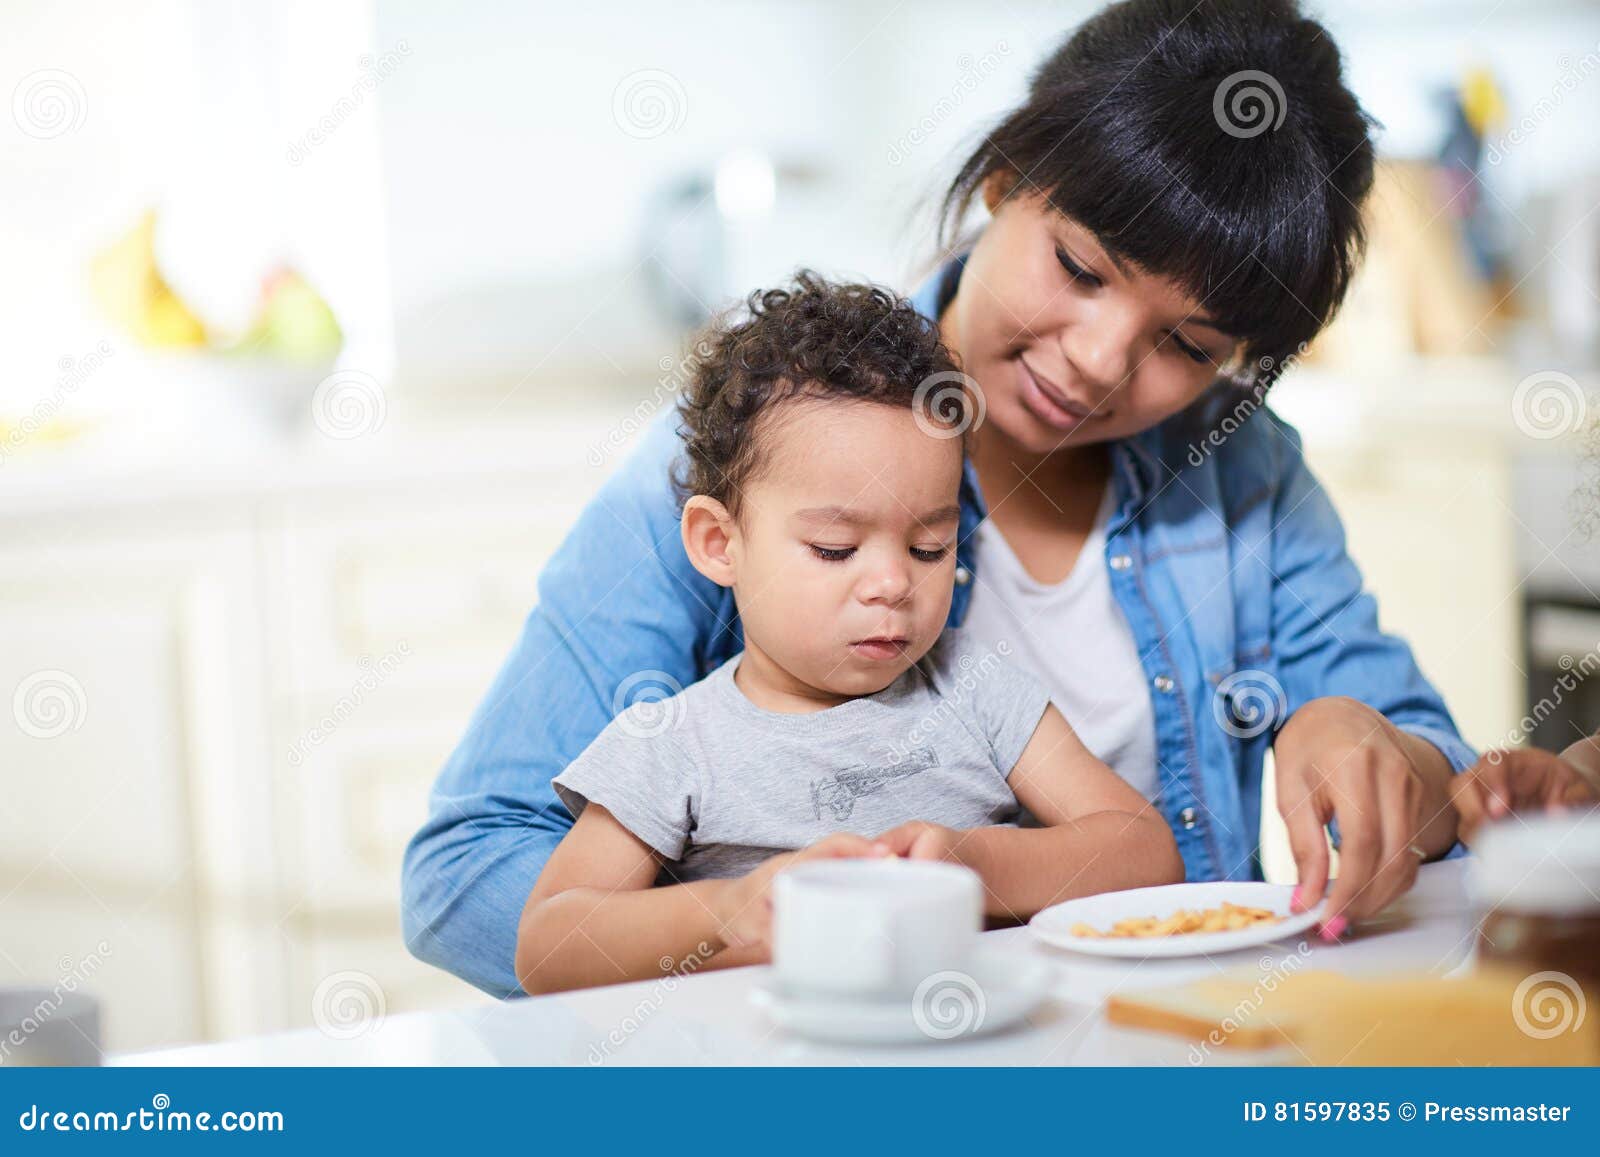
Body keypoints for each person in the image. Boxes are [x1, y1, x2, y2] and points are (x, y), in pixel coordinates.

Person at [404, 0, 1474, 998]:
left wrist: (1375, 748)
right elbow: (466, 871)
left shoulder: (1244, 468)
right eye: (1081, 266)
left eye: (1188, 344)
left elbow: (1443, 791)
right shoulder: (758, 452)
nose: (1099, 361)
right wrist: (746, 926)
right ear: (1007, 181)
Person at [514, 274, 1183, 994]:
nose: (893, 582)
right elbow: (550, 946)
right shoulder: (672, 743)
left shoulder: (975, 687)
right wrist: (733, 909)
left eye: (930, 547)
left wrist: (980, 866)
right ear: (719, 543)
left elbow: (1146, 853)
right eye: (836, 548)